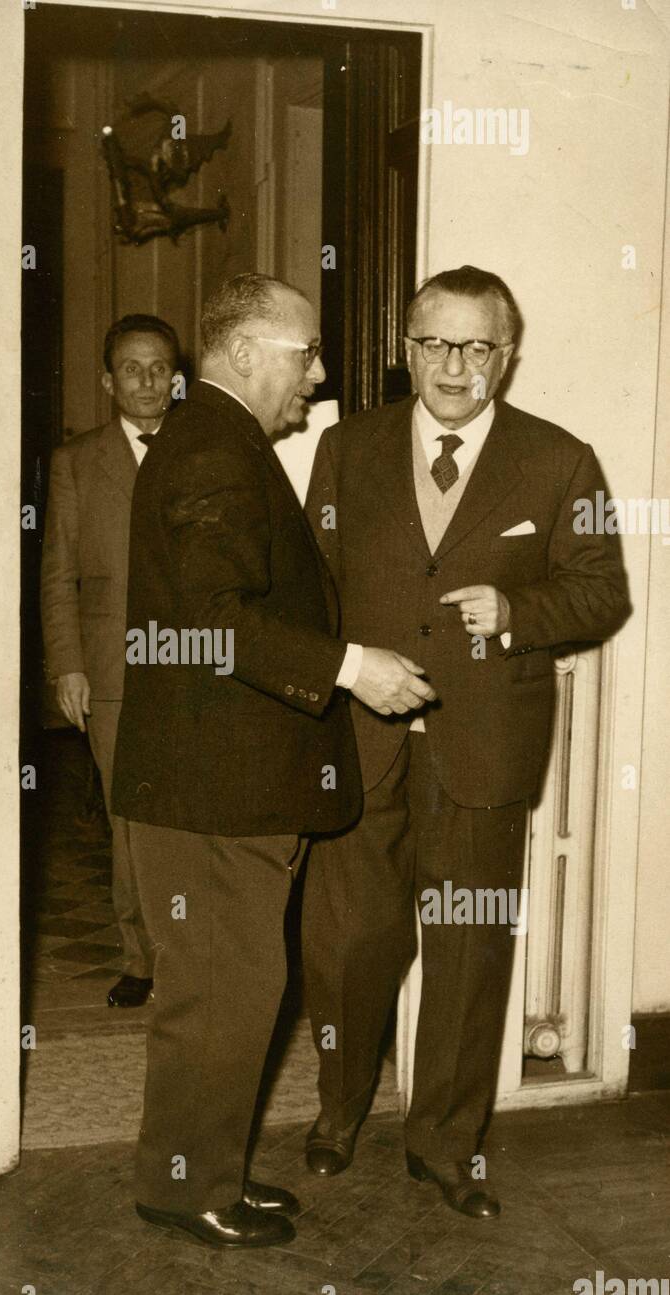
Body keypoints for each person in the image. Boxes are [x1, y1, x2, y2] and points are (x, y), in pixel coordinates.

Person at [111, 273, 434, 1247]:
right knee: (220, 994)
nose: (320, 373)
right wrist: (348, 666)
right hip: (215, 788)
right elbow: (210, 622)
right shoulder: (212, 446)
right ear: (246, 350)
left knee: (227, 991)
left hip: (217, 780)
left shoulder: (213, 438)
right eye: (305, 353)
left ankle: (202, 1171)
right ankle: (187, 1187)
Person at [302, 265, 631, 1218]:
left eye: (477, 346)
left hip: (486, 748)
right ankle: (337, 1109)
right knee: (349, 944)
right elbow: (314, 586)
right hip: (363, 739)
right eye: (436, 343)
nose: (455, 366)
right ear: (407, 348)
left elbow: (603, 588)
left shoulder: (562, 460)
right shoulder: (345, 448)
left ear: (507, 356)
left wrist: (518, 610)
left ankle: (445, 1144)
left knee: (470, 948)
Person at [40, 314, 180, 1007]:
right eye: (132, 368)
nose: (149, 381)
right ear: (107, 381)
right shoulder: (76, 462)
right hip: (114, 669)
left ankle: (195, 954)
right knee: (130, 819)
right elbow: (57, 572)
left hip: (199, 667)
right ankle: (142, 958)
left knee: (195, 815)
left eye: (160, 367)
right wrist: (68, 666)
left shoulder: (206, 450)